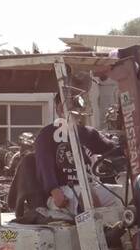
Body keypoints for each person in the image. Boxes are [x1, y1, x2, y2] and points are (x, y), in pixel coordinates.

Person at [29, 93, 121, 224]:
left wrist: (126, 146)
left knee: (129, 191)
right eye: (74, 104)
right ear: (60, 108)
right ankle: (100, 232)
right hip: (63, 190)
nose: (78, 109)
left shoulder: (88, 133)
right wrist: (54, 190)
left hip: (91, 186)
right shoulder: (48, 134)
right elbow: (45, 165)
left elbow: (111, 149)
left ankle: (127, 231)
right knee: (88, 195)